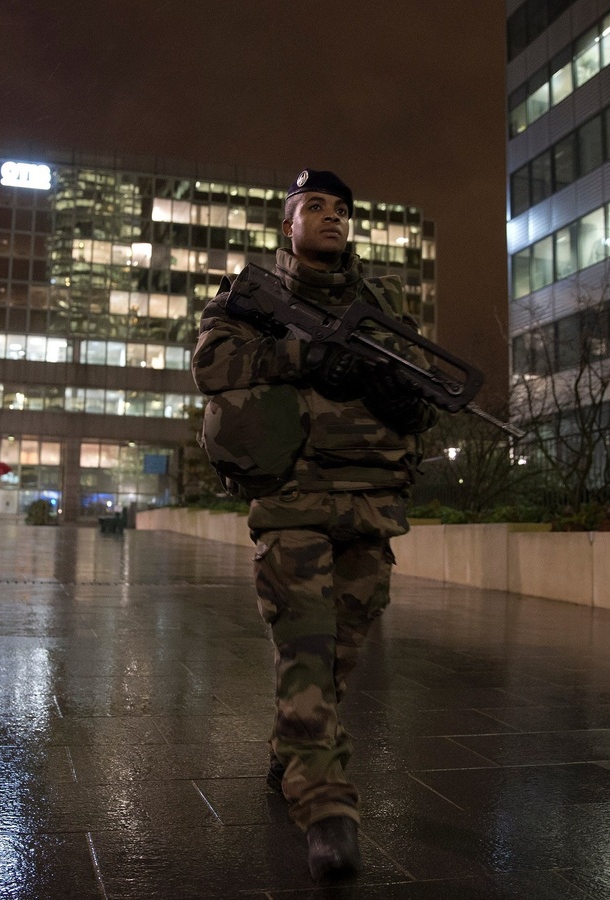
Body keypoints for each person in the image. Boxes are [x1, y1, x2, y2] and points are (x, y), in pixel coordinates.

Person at [191, 169, 437, 882]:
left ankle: (291, 744)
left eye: (341, 209)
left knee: (342, 652)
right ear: (288, 226)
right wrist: (302, 355)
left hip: (371, 498)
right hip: (293, 495)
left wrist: (402, 392)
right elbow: (211, 365)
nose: (332, 217)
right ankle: (326, 807)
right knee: (305, 646)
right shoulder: (257, 299)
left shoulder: (380, 300)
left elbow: (418, 383)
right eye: (314, 207)